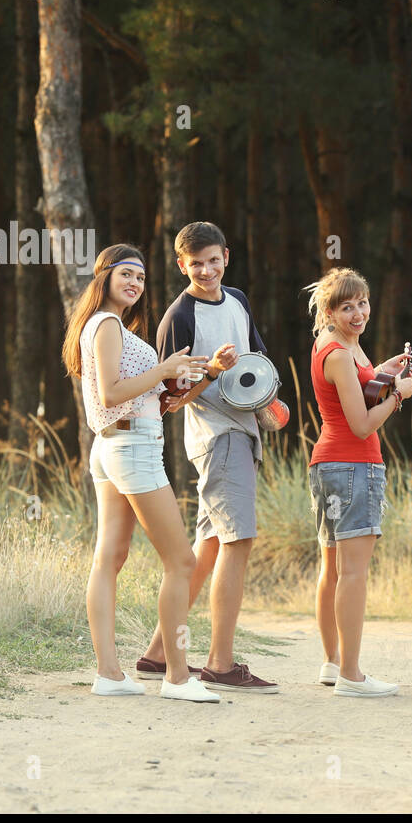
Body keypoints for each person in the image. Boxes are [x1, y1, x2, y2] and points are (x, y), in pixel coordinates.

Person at [60, 243, 227, 703]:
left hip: (114, 445)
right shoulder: (109, 324)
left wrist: (190, 377)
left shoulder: (103, 324)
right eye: (126, 274)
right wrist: (165, 369)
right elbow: (113, 392)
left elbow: (142, 396)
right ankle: (176, 676)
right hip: (131, 448)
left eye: (141, 277)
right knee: (182, 562)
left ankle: (109, 674)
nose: (135, 283)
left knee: (109, 560)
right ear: (104, 278)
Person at [134, 222, 278, 694]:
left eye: (214, 260)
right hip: (216, 439)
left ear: (226, 257)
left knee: (212, 546)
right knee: (239, 542)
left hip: (244, 430)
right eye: (196, 263)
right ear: (182, 266)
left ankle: (157, 653)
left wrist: (271, 404)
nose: (207, 270)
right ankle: (220, 663)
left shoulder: (236, 299)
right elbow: (168, 395)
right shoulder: (179, 316)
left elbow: (256, 361)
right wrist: (211, 370)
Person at [305, 268, 412, 697]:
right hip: (353, 465)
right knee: (353, 573)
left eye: (363, 303)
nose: (358, 313)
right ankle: (352, 675)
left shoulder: (337, 346)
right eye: (346, 307)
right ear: (329, 312)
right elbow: (362, 422)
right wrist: (398, 394)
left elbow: (354, 387)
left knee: (332, 569)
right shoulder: (339, 352)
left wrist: (381, 372)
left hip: (329, 465)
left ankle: (333, 663)